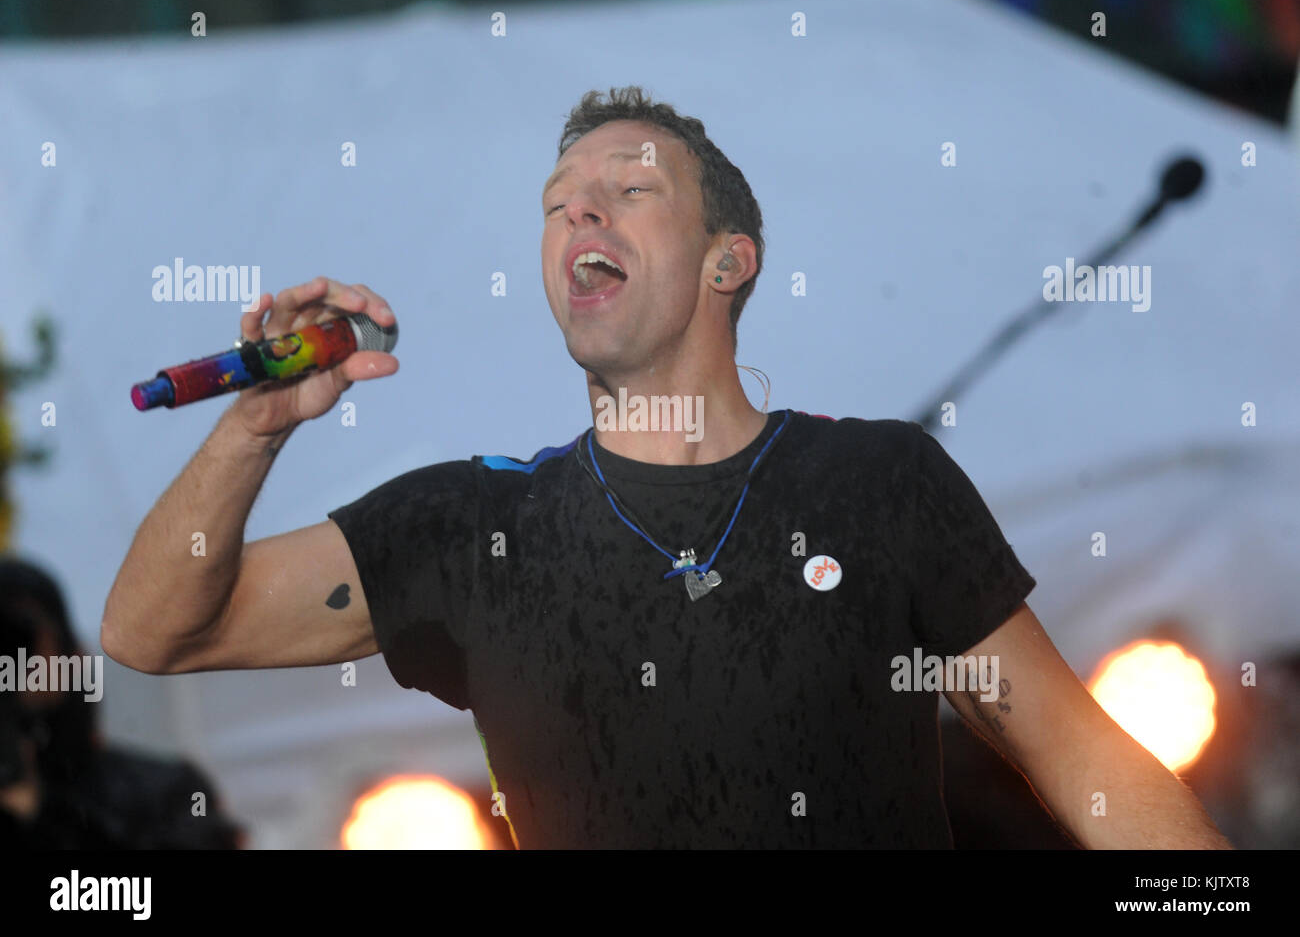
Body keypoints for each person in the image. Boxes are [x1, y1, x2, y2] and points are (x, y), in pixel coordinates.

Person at [103, 86, 1231, 849]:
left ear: (726, 261)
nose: (577, 209)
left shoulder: (876, 482)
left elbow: (1080, 753)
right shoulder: (466, 522)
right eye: (556, 205)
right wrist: (252, 428)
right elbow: (153, 631)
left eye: (629, 189)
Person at [1, 555, 242, 848]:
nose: (12, 660)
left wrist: (42, 817)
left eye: (19, 640)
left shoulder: (166, 794)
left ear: (74, 657)